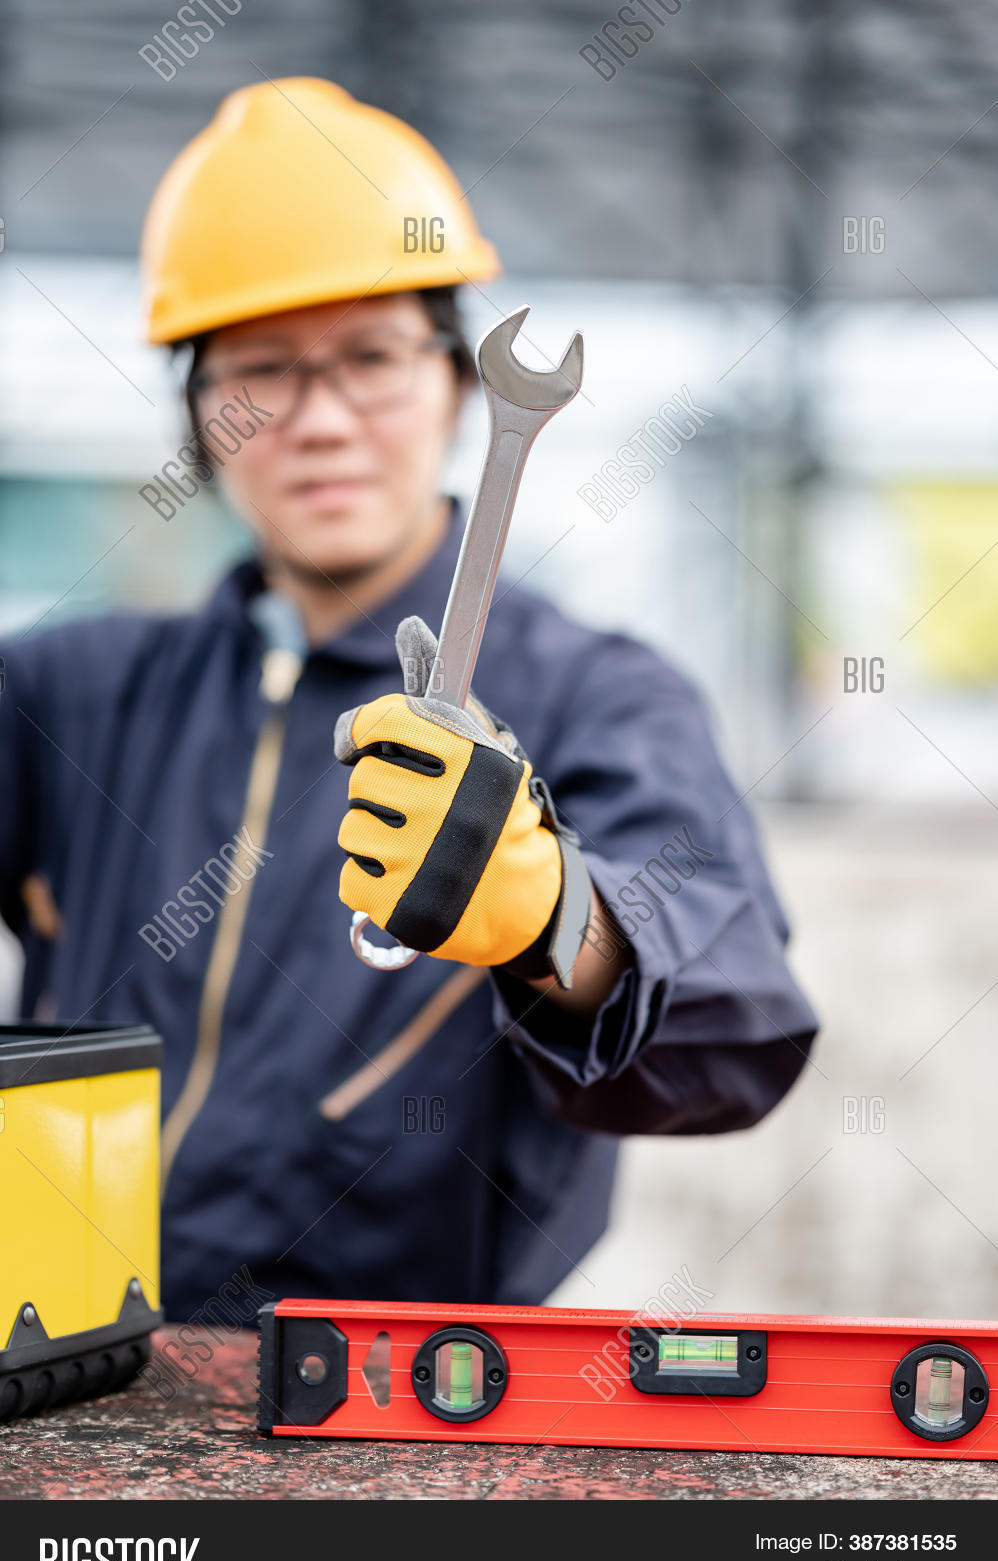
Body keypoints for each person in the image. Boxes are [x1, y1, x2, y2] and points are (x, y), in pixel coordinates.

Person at [0, 78, 818, 1320]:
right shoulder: (73, 688)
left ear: (454, 382)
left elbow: (730, 1022)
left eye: (372, 358)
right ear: (196, 415)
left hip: (401, 1410)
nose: (320, 420)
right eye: (261, 370)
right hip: (74, 1369)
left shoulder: (597, 695)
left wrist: (557, 921)